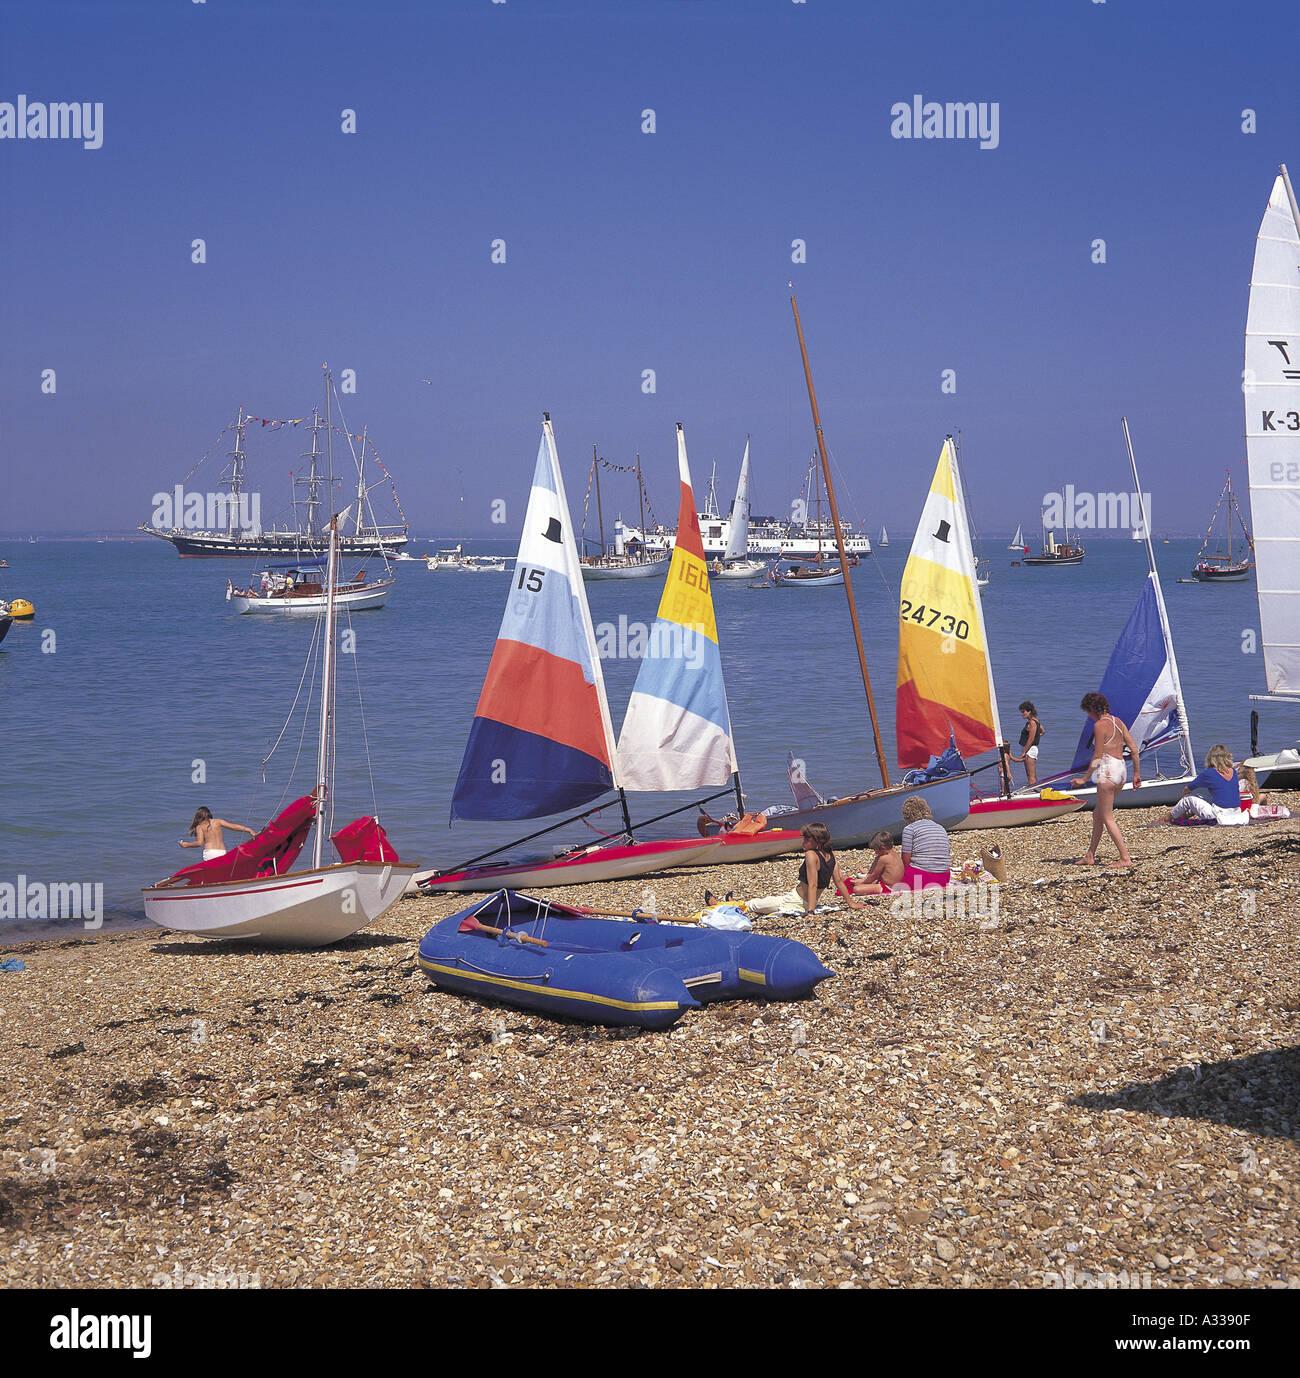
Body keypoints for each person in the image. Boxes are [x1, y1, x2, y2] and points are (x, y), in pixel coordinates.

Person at [1070, 691, 1139, 867]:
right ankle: (1090, 856)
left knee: (1108, 817)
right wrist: (1136, 774)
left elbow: (1097, 756)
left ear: (1092, 708)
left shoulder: (1100, 725)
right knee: (1098, 814)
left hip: (1108, 772)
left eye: (1088, 712)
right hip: (1121, 771)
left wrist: (1084, 779)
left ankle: (1125, 858)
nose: (1089, 716)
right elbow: (1134, 749)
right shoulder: (1118, 722)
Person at [746, 823, 863, 916]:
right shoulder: (829, 854)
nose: (803, 841)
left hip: (798, 902)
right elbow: (838, 882)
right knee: (757, 904)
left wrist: (811, 912)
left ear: (817, 841)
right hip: (799, 900)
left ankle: (742, 904)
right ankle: (739, 904)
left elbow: (815, 884)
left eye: (807, 839)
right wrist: (851, 904)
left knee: (758, 905)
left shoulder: (811, 854)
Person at [1166, 745, 1248, 826]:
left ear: (1210, 758)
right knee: (1199, 796)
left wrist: (1182, 798)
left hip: (1219, 816)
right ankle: (1180, 816)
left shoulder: (1209, 773)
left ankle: (1168, 818)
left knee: (1187, 798)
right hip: (1236, 813)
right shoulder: (1233, 772)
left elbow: (1187, 789)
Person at [896, 795, 952, 889]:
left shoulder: (910, 829)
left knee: (892, 878)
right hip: (944, 878)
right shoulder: (940, 827)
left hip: (921, 879)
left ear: (907, 813)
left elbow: (906, 860)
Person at [180, 806, 256, 861]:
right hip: (221, 852)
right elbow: (234, 827)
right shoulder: (218, 821)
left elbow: (199, 843)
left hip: (210, 852)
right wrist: (249, 830)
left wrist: (186, 845)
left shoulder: (200, 827)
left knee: (211, 873)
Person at [849, 830, 905, 896]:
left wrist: (862, 883)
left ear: (883, 848)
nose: (875, 852)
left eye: (876, 850)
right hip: (897, 885)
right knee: (877, 858)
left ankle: (865, 877)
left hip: (888, 887)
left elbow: (873, 876)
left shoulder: (884, 858)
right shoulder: (894, 854)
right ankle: (866, 876)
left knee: (856, 889)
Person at [1009, 701, 1045, 787]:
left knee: (1030, 775)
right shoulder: (1035, 721)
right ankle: (1034, 789)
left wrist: (1024, 751)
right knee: (1031, 774)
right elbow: (1043, 731)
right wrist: (1037, 736)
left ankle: (1032, 790)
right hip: (1029, 749)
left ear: (1029, 711)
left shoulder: (1032, 722)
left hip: (1030, 750)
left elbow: (1031, 739)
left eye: (1023, 711)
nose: (1022, 714)